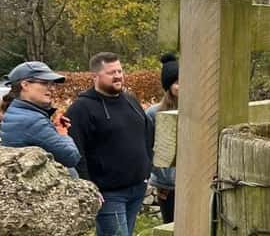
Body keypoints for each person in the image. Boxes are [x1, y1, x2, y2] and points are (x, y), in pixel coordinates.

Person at [66, 52, 154, 236]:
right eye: (111, 72)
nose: (118, 76)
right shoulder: (82, 108)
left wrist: (147, 167)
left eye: (120, 71)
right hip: (109, 193)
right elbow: (75, 150)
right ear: (95, 76)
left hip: (137, 187)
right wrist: (89, 186)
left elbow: (147, 132)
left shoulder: (130, 100)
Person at [0, 61, 81, 175]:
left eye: (52, 84)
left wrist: (54, 126)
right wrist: (62, 133)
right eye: (45, 83)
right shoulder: (32, 121)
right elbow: (71, 157)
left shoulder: (18, 113)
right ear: (25, 85)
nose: (52, 88)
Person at [145, 53, 179, 224]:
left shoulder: (198, 112)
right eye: (177, 82)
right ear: (169, 86)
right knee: (170, 225)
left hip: (195, 182)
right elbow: (147, 146)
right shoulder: (153, 113)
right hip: (167, 185)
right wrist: (159, 174)